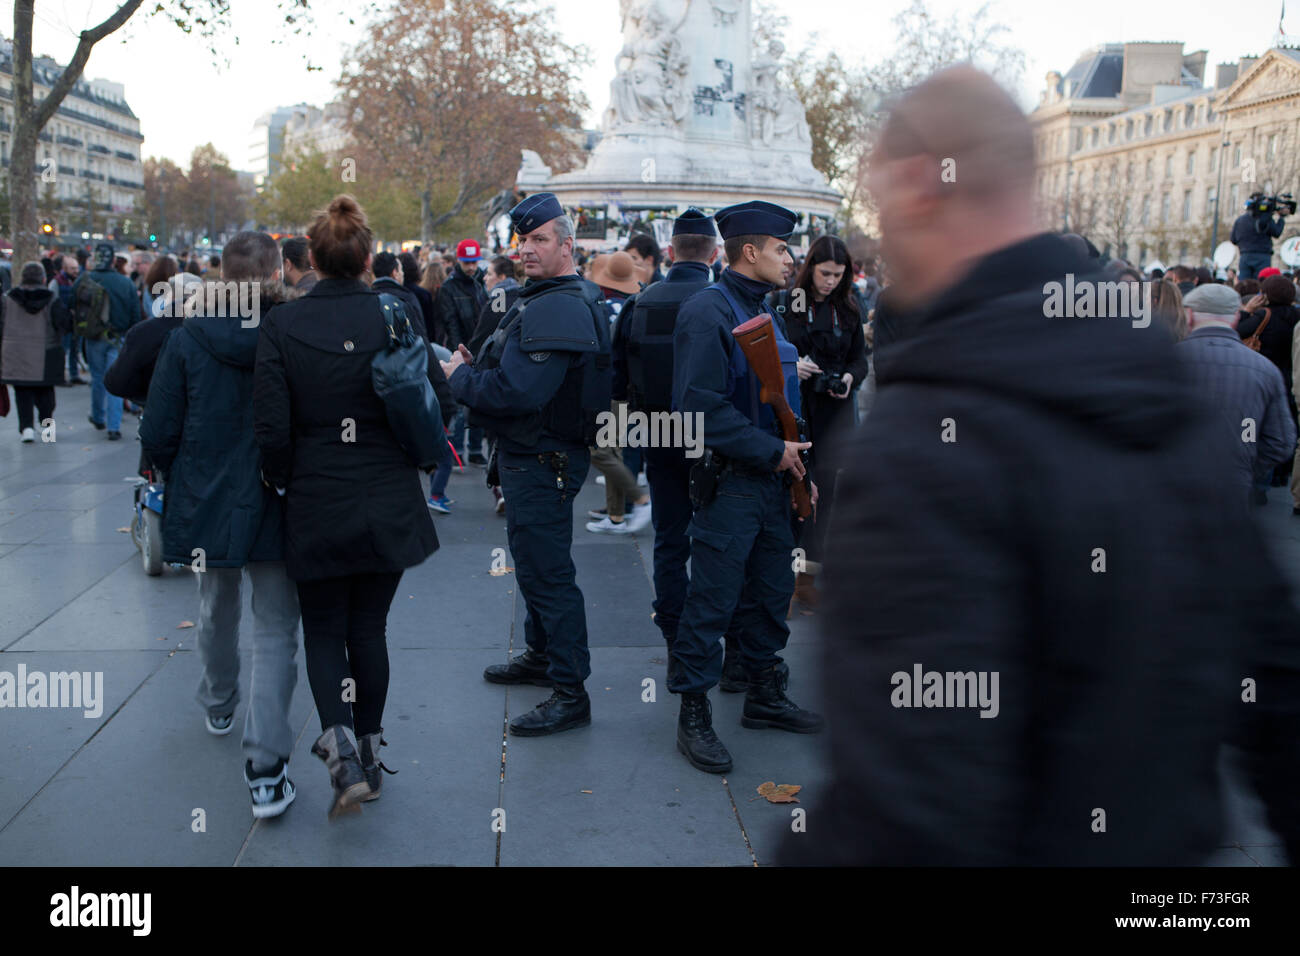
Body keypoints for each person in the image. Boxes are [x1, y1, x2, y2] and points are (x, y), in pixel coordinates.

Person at [784, 64, 1300, 866]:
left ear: (922, 185)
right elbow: (1276, 681)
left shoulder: (931, 439)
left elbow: (909, 814)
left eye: (880, 198)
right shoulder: (1157, 384)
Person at [254, 196, 440, 818]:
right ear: (366, 257)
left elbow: (272, 427)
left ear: (310, 257)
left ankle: (341, 753)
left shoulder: (282, 325)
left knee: (325, 629)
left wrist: (281, 479)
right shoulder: (397, 312)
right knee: (369, 629)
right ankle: (369, 743)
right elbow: (433, 398)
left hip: (316, 492)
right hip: (385, 490)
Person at [140, 232, 303, 819]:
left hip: (208, 494)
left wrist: (168, 472)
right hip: (278, 494)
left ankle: (217, 700)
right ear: (276, 273)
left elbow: (158, 426)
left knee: (215, 600)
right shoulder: (290, 333)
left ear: (219, 275)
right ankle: (265, 766)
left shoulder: (186, 339)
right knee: (278, 624)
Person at [442, 192, 609, 736]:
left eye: (540, 239)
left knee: (547, 573)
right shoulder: (547, 295)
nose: (528, 249)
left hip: (544, 457)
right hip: (534, 455)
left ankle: (570, 690)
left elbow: (518, 391)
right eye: (524, 240)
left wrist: (457, 379)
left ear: (567, 244)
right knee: (537, 567)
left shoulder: (558, 303)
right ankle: (542, 658)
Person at [667, 200, 824, 775]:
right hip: (733, 483)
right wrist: (770, 451)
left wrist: (793, 461)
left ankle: (762, 692)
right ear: (751, 251)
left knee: (768, 593)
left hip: (773, 482)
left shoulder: (762, 308)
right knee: (710, 603)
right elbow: (697, 407)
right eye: (783, 249)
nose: (792, 258)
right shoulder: (706, 311)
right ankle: (693, 715)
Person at [615, 208, 746, 689]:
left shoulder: (640, 303)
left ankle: (676, 644)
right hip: (718, 440)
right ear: (715, 253)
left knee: (671, 543)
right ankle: (728, 651)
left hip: (661, 437)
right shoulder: (727, 303)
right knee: (725, 544)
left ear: (669, 252)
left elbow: (618, 379)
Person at [765, 235, 869, 611]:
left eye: (838, 275)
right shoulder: (787, 302)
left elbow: (860, 361)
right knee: (792, 492)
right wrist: (795, 365)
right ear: (811, 268)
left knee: (822, 501)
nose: (830, 281)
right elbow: (767, 355)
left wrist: (848, 379)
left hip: (834, 414)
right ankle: (783, 579)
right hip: (797, 411)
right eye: (825, 273)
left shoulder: (850, 307)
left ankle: (806, 582)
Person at [371, 251, 456, 513]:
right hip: (404, 392)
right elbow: (422, 349)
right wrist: (444, 400)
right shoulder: (405, 299)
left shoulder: (366, 300)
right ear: (396, 272)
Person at [585, 252, 652, 535]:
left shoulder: (599, 307)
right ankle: (615, 515)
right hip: (627, 390)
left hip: (606, 388)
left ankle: (639, 498)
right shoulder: (634, 306)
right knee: (612, 451)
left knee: (600, 451)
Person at [74, 242, 143, 440]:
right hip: (118, 337)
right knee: (116, 379)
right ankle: (114, 426)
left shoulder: (84, 279)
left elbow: (72, 304)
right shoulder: (125, 283)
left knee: (97, 377)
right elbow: (135, 313)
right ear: (113, 260)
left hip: (94, 337)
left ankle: (98, 416)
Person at [1, 261, 71, 442]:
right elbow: (62, 323)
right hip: (45, 352)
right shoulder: (52, 299)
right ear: (43, 278)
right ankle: (47, 428)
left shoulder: (8, 298)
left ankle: (26, 428)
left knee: (22, 392)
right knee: (46, 393)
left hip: (16, 352)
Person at [437, 240, 489, 465]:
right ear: (459, 260)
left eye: (474, 262)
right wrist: (459, 351)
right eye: (467, 262)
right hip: (461, 346)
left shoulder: (481, 283)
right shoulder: (449, 287)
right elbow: (451, 322)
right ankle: (459, 450)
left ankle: (475, 449)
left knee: (479, 399)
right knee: (459, 402)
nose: (471, 267)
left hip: (479, 347)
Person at [1231, 191, 1287, 280]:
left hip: (1245, 256)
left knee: (1244, 285)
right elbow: (1276, 232)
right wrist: (1282, 218)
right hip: (1262, 256)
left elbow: (1233, 239)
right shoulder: (1265, 218)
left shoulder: (1239, 220)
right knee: (1261, 284)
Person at [49, 255, 83, 386]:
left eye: (76, 268)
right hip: (64, 322)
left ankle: (74, 374)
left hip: (76, 322)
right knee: (63, 350)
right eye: (72, 268)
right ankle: (60, 376)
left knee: (74, 349)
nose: (75, 271)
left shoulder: (78, 280)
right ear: (64, 268)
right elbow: (53, 301)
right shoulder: (57, 282)